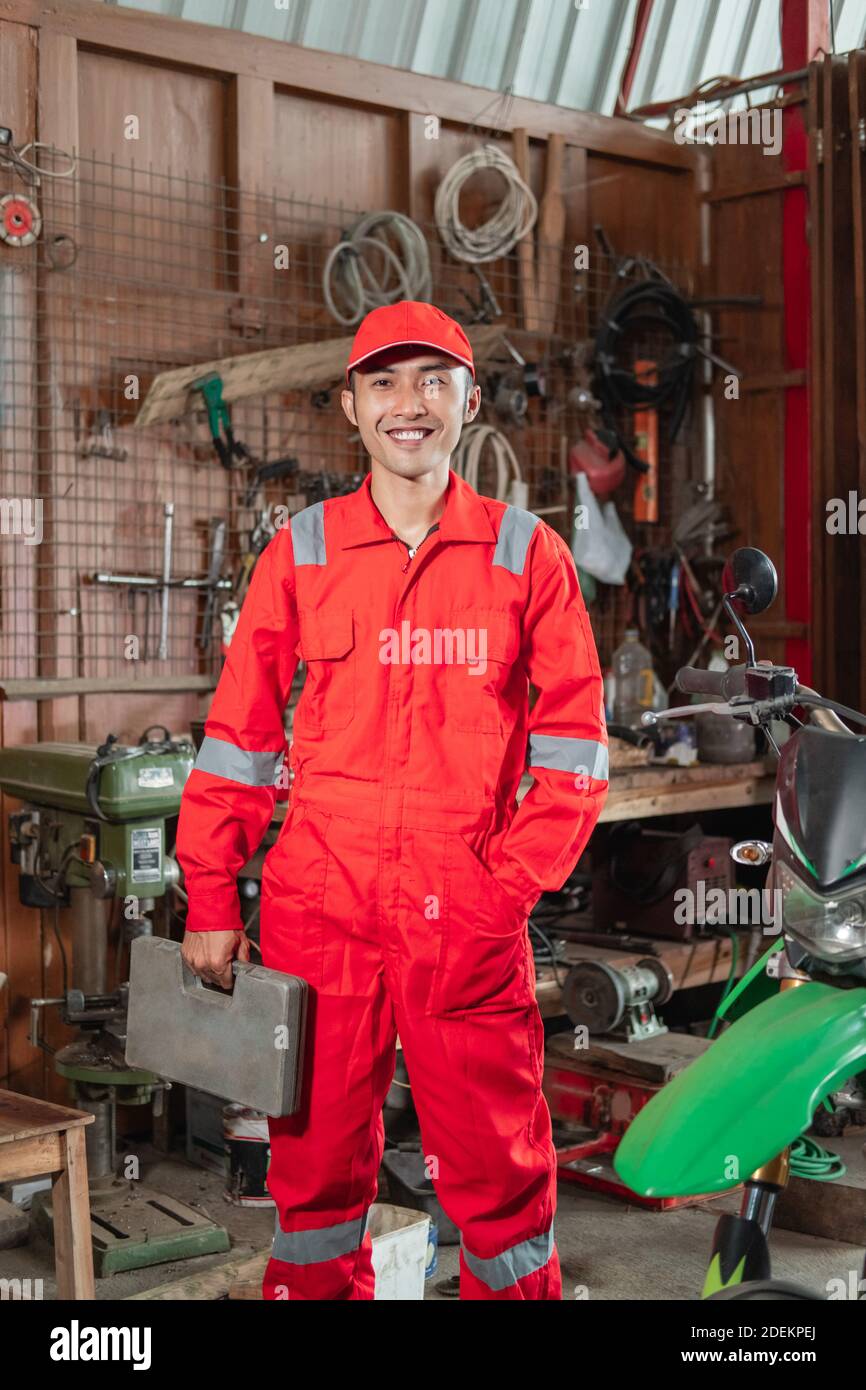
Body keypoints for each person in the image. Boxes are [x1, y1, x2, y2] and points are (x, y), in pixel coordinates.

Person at [175, 299, 609, 1300]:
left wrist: (502, 891)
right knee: (314, 1173)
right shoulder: (304, 548)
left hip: (464, 913)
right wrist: (208, 897)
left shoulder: (522, 554)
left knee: (496, 1172)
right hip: (318, 910)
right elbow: (240, 737)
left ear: (467, 400)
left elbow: (575, 745)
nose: (406, 404)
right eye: (382, 382)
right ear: (348, 404)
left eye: (430, 382)